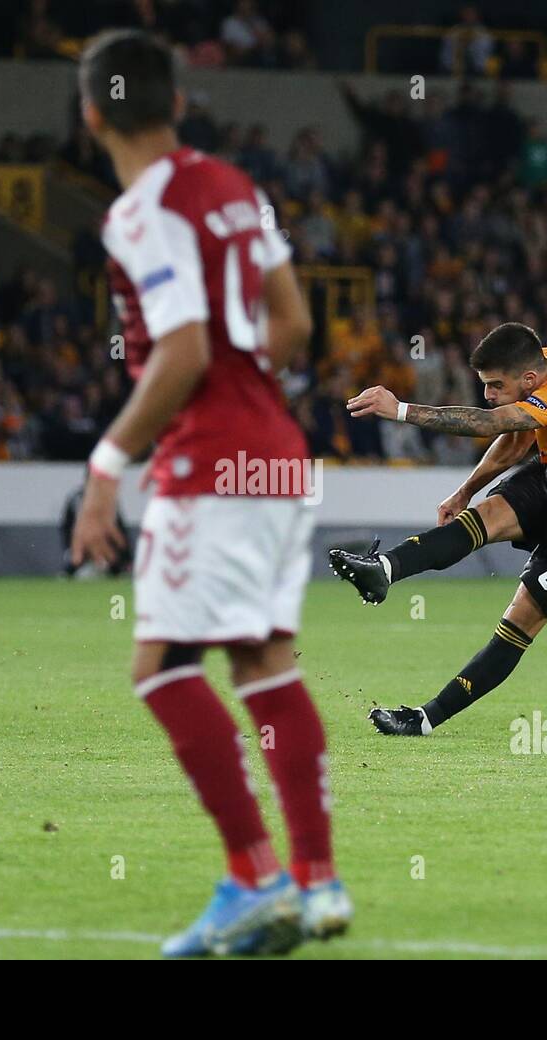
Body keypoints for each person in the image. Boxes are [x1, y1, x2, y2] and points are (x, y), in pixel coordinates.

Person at [69, 29, 350, 957]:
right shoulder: (234, 187)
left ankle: (252, 875)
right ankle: (317, 882)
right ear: (178, 104)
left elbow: (184, 351)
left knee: (162, 666)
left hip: (213, 464)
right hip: (279, 454)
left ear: (91, 114)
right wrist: (248, 383)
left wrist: (107, 466)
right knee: (267, 663)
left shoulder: (140, 212)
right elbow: (296, 321)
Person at [331, 322, 547, 735]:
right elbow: (515, 437)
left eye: (495, 385)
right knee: (482, 518)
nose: (488, 395)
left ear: (528, 379)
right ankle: (384, 570)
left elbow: (488, 423)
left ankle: (424, 720)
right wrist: (465, 491)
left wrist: (400, 410)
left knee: (518, 623)